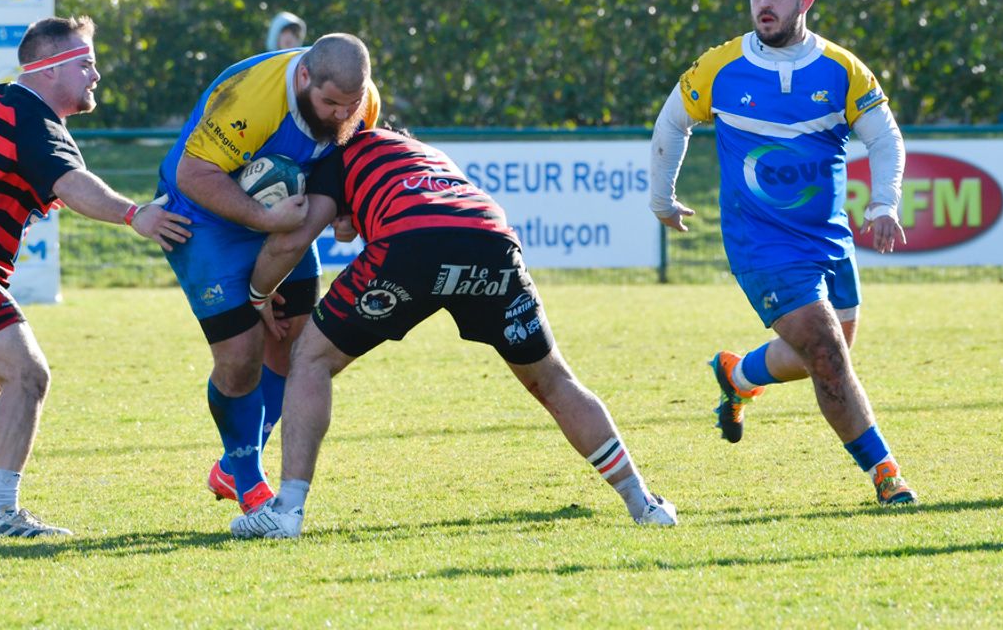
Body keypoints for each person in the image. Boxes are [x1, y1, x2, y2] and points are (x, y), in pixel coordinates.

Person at [230, 127, 678, 539]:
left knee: (311, 359)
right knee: (554, 380)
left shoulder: (341, 155)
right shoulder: (430, 156)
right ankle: (644, 504)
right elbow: (386, 216)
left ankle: (286, 510)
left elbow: (295, 238)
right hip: (492, 240)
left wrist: (257, 295)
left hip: (413, 241)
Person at [0, 15, 193, 538]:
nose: (95, 74)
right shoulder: (35, 118)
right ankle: (1, 513)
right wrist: (134, 214)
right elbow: (73, 184)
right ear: (49, 69)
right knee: (28, 375)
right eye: (86, 63)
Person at [648, 0, 917, 506]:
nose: (763, 5)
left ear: (805, 0)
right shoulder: (720, 68)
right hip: (761, 244)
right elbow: (672, 122)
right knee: (827, 358)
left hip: (829, 241)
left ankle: (737, 374)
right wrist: (662, 197)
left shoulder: (841, 69)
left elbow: (885, 139)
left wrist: (883, 204)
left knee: (828, 354)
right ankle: (886, 474)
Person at [155, 33, 380, 515]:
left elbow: (347, 163)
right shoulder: (256, 96)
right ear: (304, 77)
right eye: (331, 103)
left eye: (352, 103)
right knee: (240, 358)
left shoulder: (362, 103)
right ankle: (249, 479)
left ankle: (232, 467)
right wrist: (265, 220)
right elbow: (192, 175)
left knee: (298, 346)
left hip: (281, 218)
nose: (344, 115)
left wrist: (348, 214)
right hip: (203, 217)